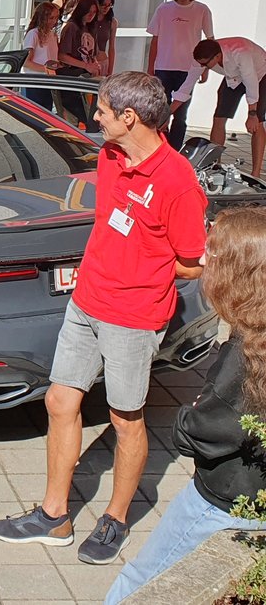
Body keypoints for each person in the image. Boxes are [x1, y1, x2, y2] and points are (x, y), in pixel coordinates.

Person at [0, 72, 207, 566]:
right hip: (87, 302)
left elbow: (193, 261)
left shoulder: (177, 183)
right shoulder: (109, 156)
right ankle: (53, 517)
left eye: (104, 112)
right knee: (59, 399)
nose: (96, 118)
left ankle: (115, 518)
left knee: (124, 418)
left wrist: (147, 262)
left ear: (129, 118)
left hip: (134, 316)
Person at [106, 208, 266, 603]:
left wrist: (184, 417)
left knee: (137, 583)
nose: (203, 261)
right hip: (251, 498)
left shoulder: (244, 355)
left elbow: (206, 430)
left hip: (219, 503)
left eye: (213, 255)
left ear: (237, 273)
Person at [170, 36, 266, 177]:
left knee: (257, 122)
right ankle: (214, 166)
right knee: (219, 118)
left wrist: (252, 113)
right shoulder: (202, 57)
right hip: (233, 77)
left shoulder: (241, 52)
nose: (203, 67)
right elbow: (186, 86)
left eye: (206, 65)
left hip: (261, 75)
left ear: (217, 56)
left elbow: (250, 81)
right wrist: (168, 114)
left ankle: (256, 173)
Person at [147, 0, 215, 150]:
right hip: (163, 66)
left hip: (189, 68)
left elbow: (210, 41)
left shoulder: (202, 10)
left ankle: (175, 149)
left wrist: (206, 68)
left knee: (181, 114)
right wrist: (150, 68)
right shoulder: (163, 9)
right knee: (160, 110)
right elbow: (155, 39)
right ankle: (159, 147)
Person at [56, 0, 103, 130]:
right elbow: (62, 56)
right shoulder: (71, 27)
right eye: (89, 11)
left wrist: (94, 65)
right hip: (72, 78)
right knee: (76, 119)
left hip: (86, 76)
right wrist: (86, 66)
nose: (91, 15)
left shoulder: (90, 28)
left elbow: (92, 54)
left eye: (94, 12)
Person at [22, 1, 61, 113]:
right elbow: (26, 62)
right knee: (34, 113)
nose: (54, 21)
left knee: (46, 113)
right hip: (34, 81)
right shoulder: (33, 34)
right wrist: (46, 69)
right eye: (51, 18)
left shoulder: (53, 35)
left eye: (56, 18)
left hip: (48, 80)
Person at [94, 0, 118, 76]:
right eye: (103, 4)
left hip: (103, 61)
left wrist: (110, 70)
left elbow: (111, 48)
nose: (106, 8)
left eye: (109, 5)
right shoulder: (89, 19)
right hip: (89, 62)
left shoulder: (112, 22)